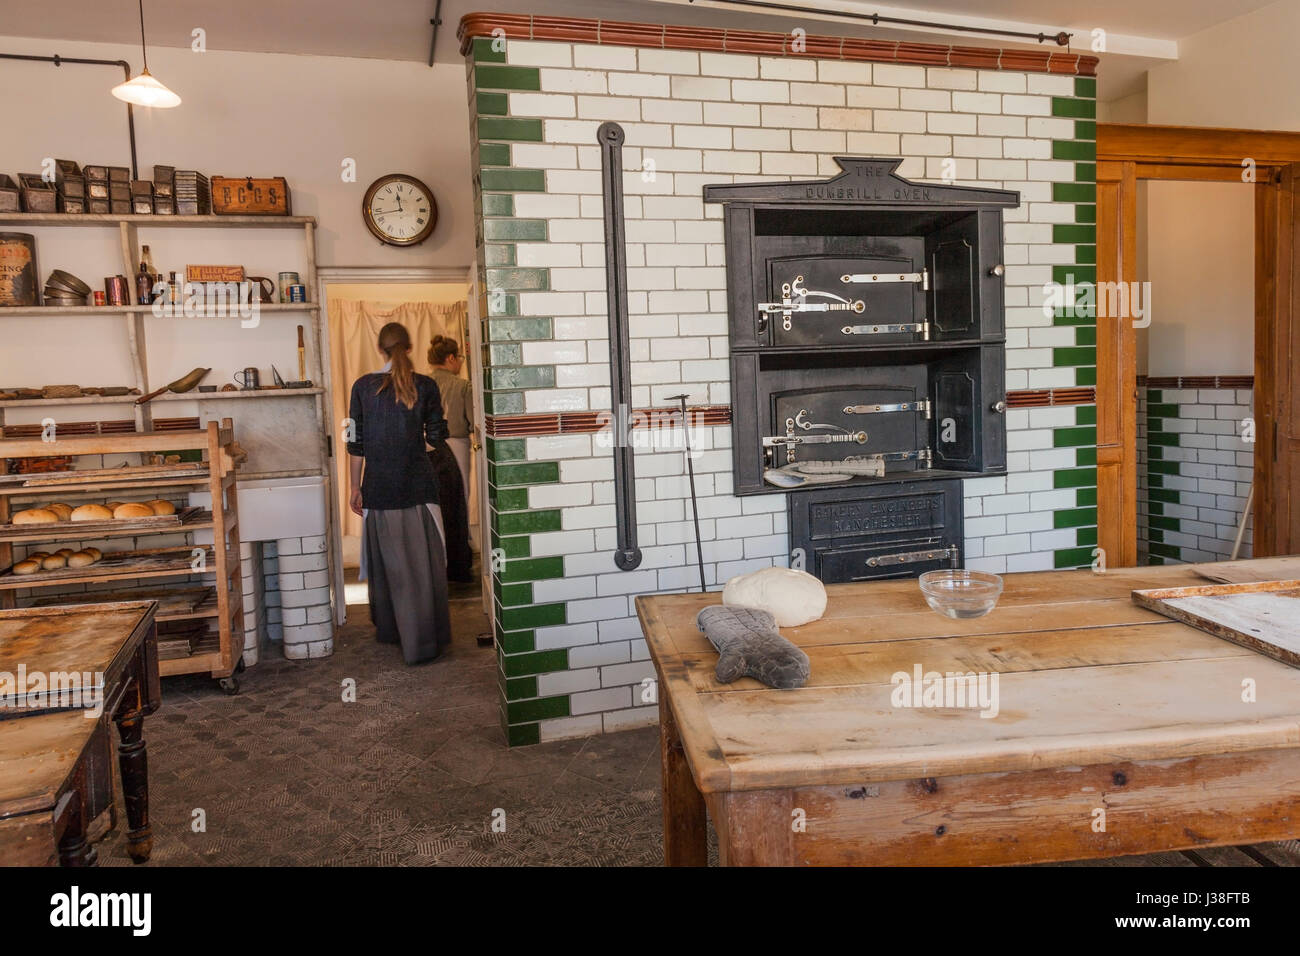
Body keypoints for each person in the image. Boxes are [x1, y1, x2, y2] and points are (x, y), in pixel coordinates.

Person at [347, 322, 451, 663]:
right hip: (419, 488)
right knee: (422, 569)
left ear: (381, 349)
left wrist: (354, 488)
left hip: (379, 490)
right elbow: (437, 436)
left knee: (389, 567)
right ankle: (422, 643)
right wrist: (410, 446)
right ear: (409, 348)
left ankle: (393, 632)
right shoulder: (426, 385)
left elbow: (355, 444)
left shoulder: (363, 387)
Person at [427, 334, 475, 583]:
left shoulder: (422, 384)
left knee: (434, 505)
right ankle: (459, 562)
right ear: (451, 358)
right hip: (455, 445)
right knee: (459, 504)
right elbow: (474, 422)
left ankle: (436, 561)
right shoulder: (462, 386)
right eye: (460, 358)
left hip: (427, 449)